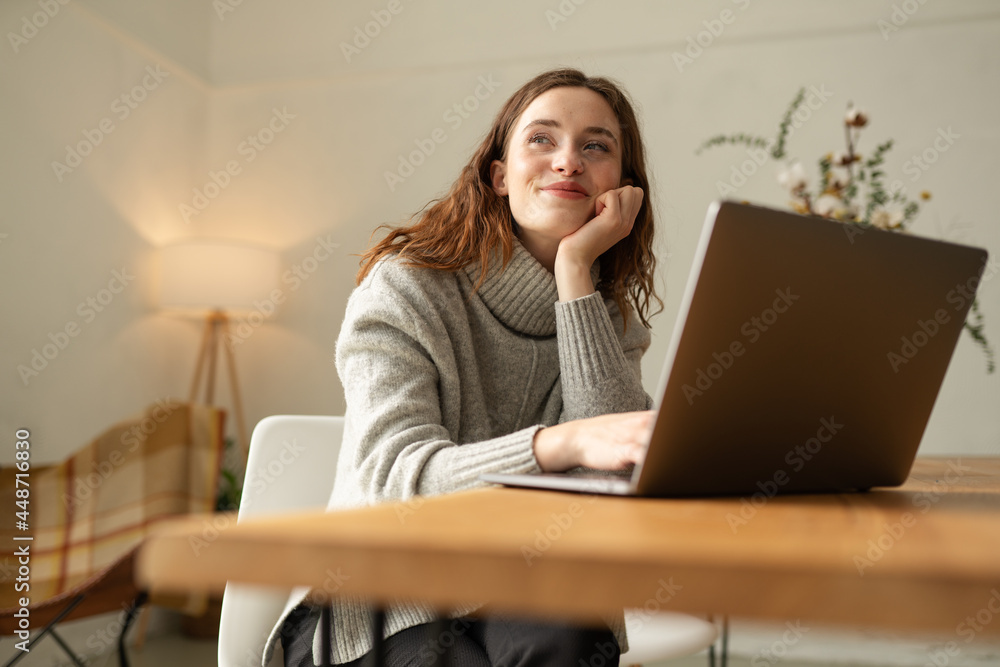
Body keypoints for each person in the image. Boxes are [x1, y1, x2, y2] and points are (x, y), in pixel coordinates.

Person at [265, 67, 661, 667]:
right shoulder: (406, 288)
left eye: (596, 146)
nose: (568, 161)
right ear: (499, 176)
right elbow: (393, 484)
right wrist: (561, 444)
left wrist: (575, 271)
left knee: (571, 635)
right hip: (377, 602)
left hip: (522, 585)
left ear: (623, 189)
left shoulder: (608, 321)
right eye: (541, 139)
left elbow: (612, 488)